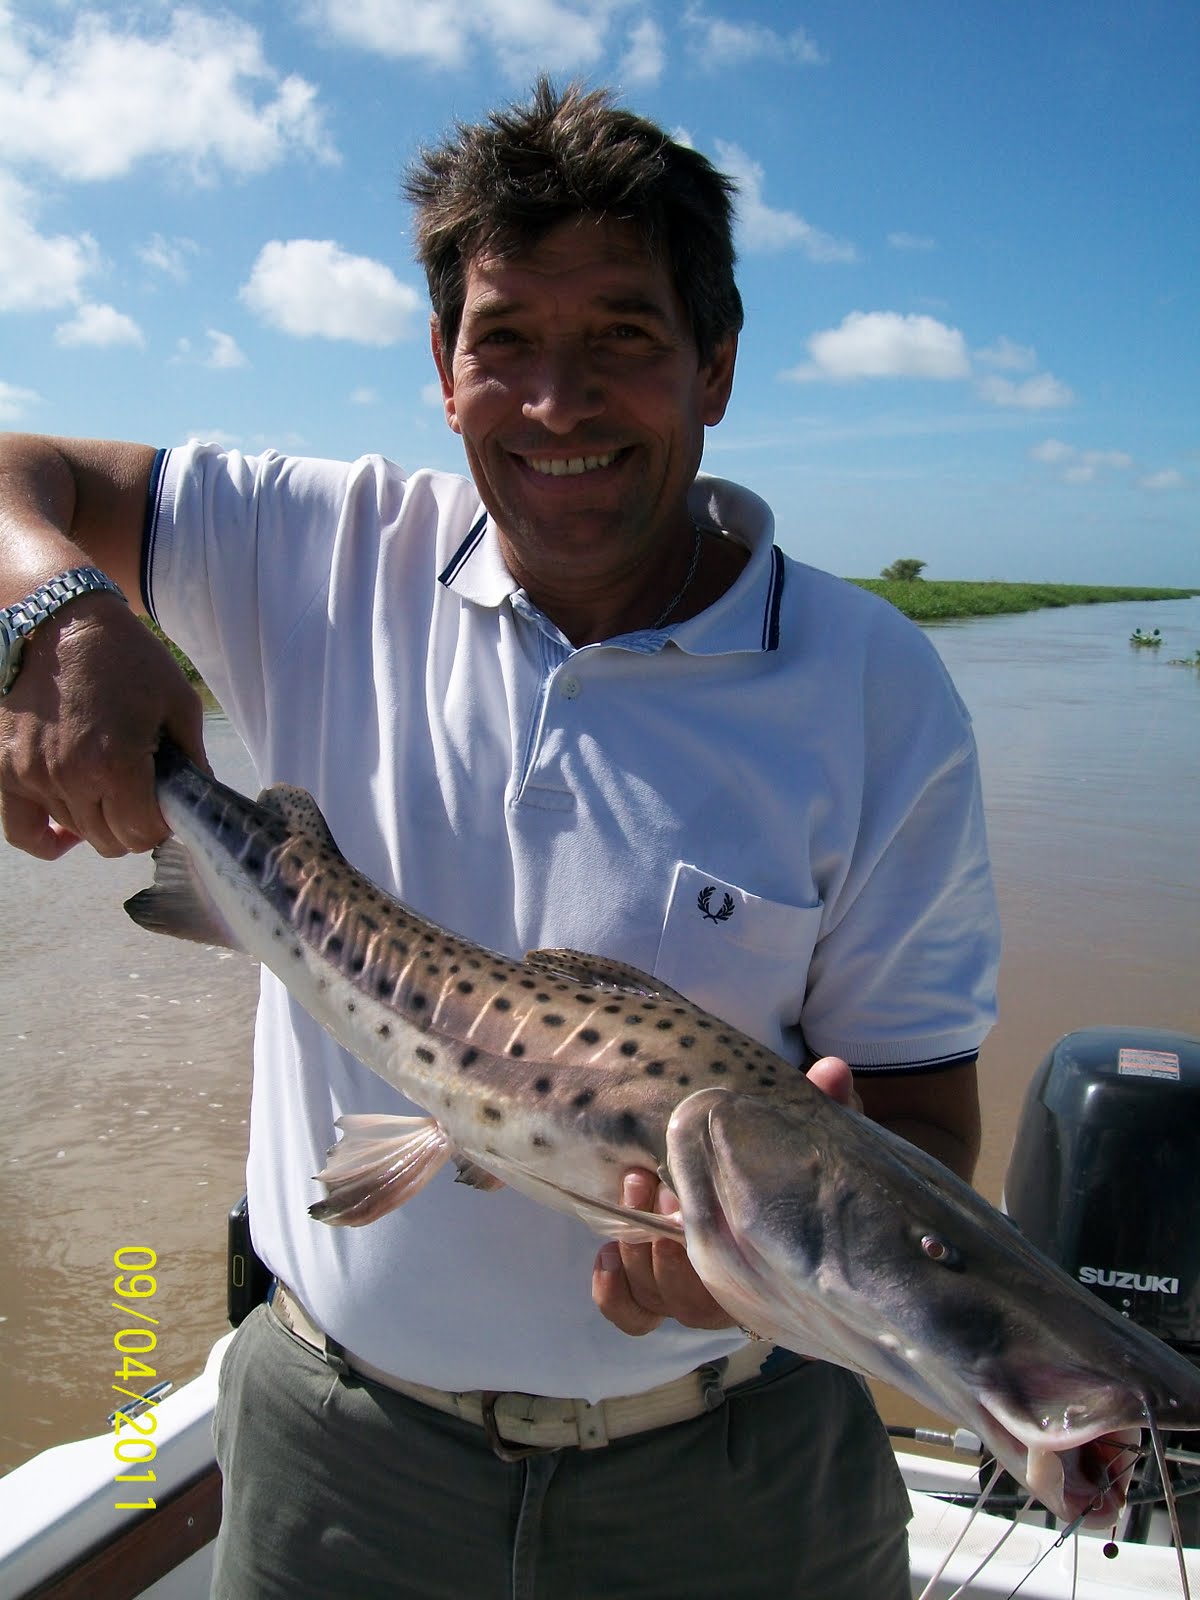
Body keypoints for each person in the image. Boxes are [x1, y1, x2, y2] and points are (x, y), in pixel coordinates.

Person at [0, 80, 998, 1600]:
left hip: (732, 1485)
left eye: (621, 338)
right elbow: (17, 478)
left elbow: (922, 1126)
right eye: (505, 340)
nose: (556, 402)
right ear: (442, 367)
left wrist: (740, 1277)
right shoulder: (320, 546)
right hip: (340, 1453)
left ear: (716, 364)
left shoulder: (876, 688)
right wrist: (53, 613)